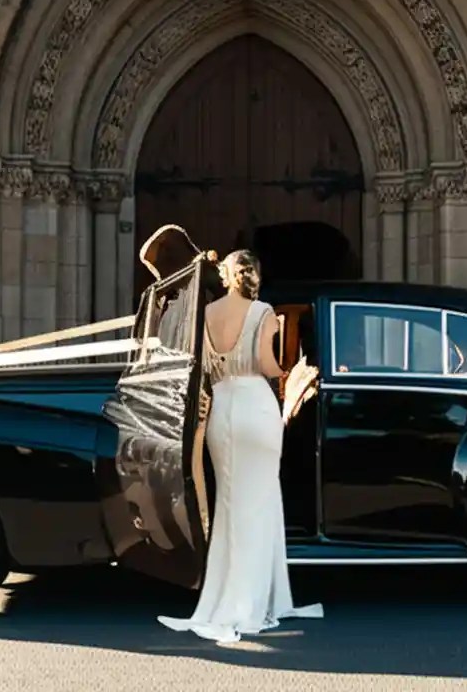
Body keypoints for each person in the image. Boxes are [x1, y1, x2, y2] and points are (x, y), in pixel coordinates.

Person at [157, 249, 324, 644]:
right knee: (261, 501)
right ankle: (254, 601)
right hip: (256, 408)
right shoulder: (262, 311)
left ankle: (227, 596)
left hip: (222, 409)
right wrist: (295, 373)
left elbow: (201, 365)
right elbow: (265, 365)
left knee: (230, 504)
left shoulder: (207, 313)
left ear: (225, 275)